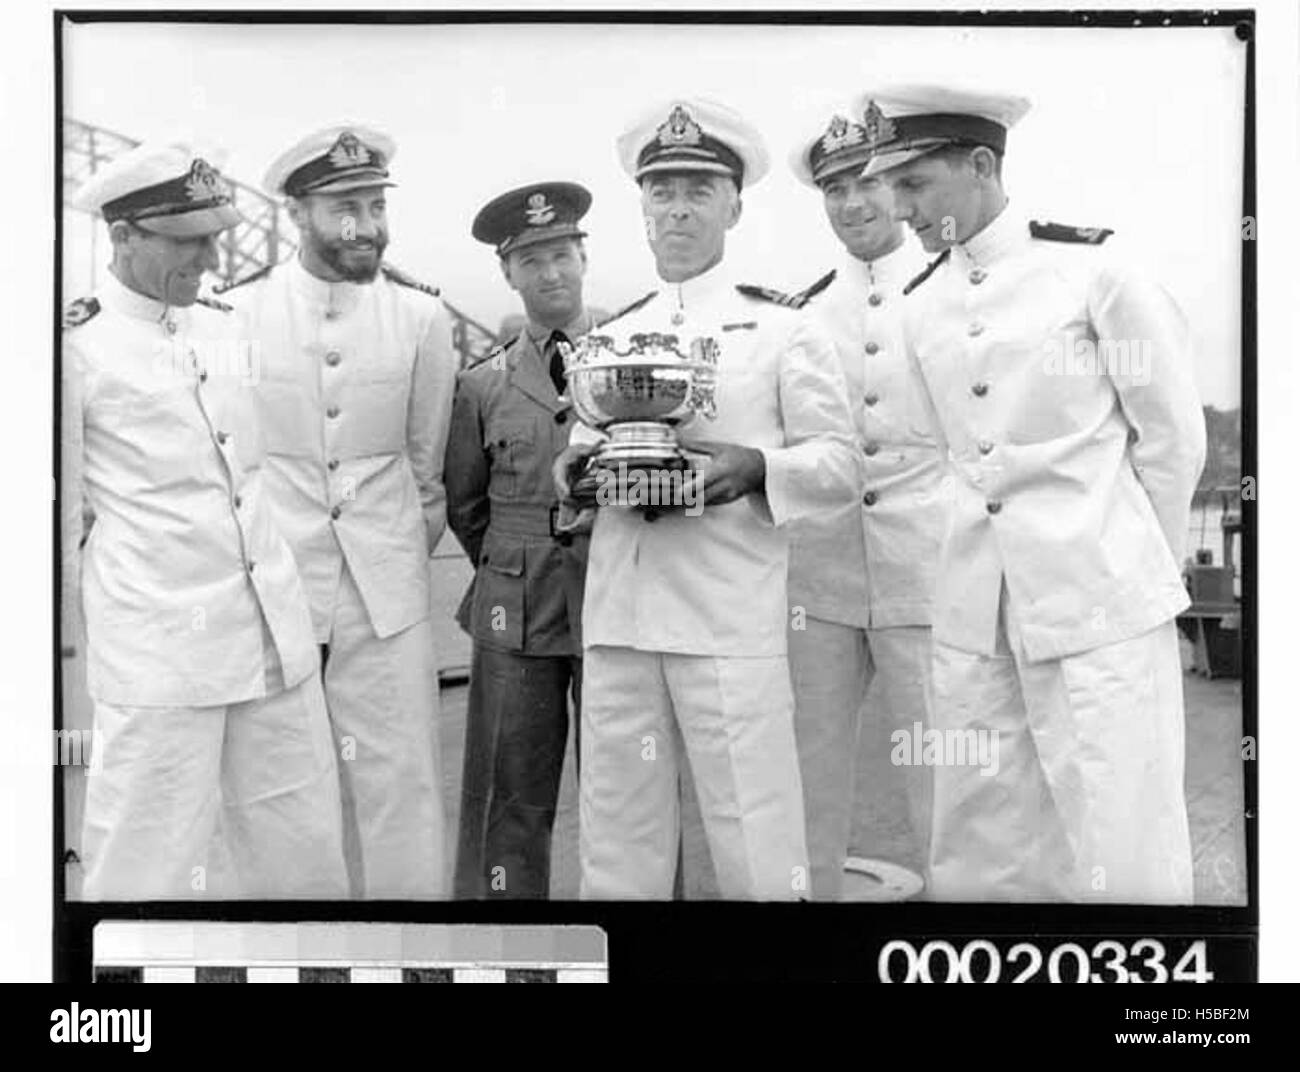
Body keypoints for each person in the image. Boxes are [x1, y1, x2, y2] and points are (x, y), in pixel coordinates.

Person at [859, 85, 1206, 902]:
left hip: (1100, 601)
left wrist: (1122, 566)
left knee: (1120, 834)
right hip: (976, 609)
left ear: (980, 164)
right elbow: (948, 454)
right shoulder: (922, 305)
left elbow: (1171, 438)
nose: (898, 208)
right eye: (894, 187)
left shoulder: (1095, 272)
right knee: (983, 834)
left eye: (915, 184)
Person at [554, 98, 864, 900]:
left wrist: (758, 467)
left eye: (698, 189)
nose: (678, 208)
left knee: (757, 837)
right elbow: (590, 446)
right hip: (621, 614)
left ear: (733, 203)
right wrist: (573, 474)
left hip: (728, 617)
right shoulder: (612, 335)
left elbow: (840, 464)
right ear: (643, 209)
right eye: (661, 192)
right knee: (617, 843)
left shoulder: (785, 329)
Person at [63, 143, 347, 900]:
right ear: (122, 237)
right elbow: (53, 526)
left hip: (272, 640)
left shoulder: (222, 327)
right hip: (161, 657)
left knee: (303, 861)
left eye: (214, 235)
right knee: (143, 867)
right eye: (187, 239)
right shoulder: (75, 349)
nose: (210, 255)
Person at [221, 124, 458, 899]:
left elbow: (426, 469)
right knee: (282, 785)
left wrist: (396, 553)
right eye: (344, 207)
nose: (368, 225)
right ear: (298, 214)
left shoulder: (422, 319)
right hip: (277, 582)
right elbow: (235, 457)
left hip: (384, 589)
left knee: (404, 782)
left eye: (375, 205)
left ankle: (413, 946)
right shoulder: (237, 315)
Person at [785, 110, 943, 900]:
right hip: (825, 577)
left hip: (930, 572)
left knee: (946, 775)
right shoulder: (800, 313)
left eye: (870, 182)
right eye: (835, 189)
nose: (852, 203)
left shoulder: (952, 292)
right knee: (805, 770)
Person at [445, 182, 595, 898]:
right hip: (515, 609)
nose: (551, 273)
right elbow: (465, 503)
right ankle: (499, 942)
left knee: (631, 793)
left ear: (583, 258)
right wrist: (514, 562)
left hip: (616, 597)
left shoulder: (632, 360)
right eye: (532, 260)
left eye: (562, 253)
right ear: (509, 273)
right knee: (508, 795)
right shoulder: (480, 385)